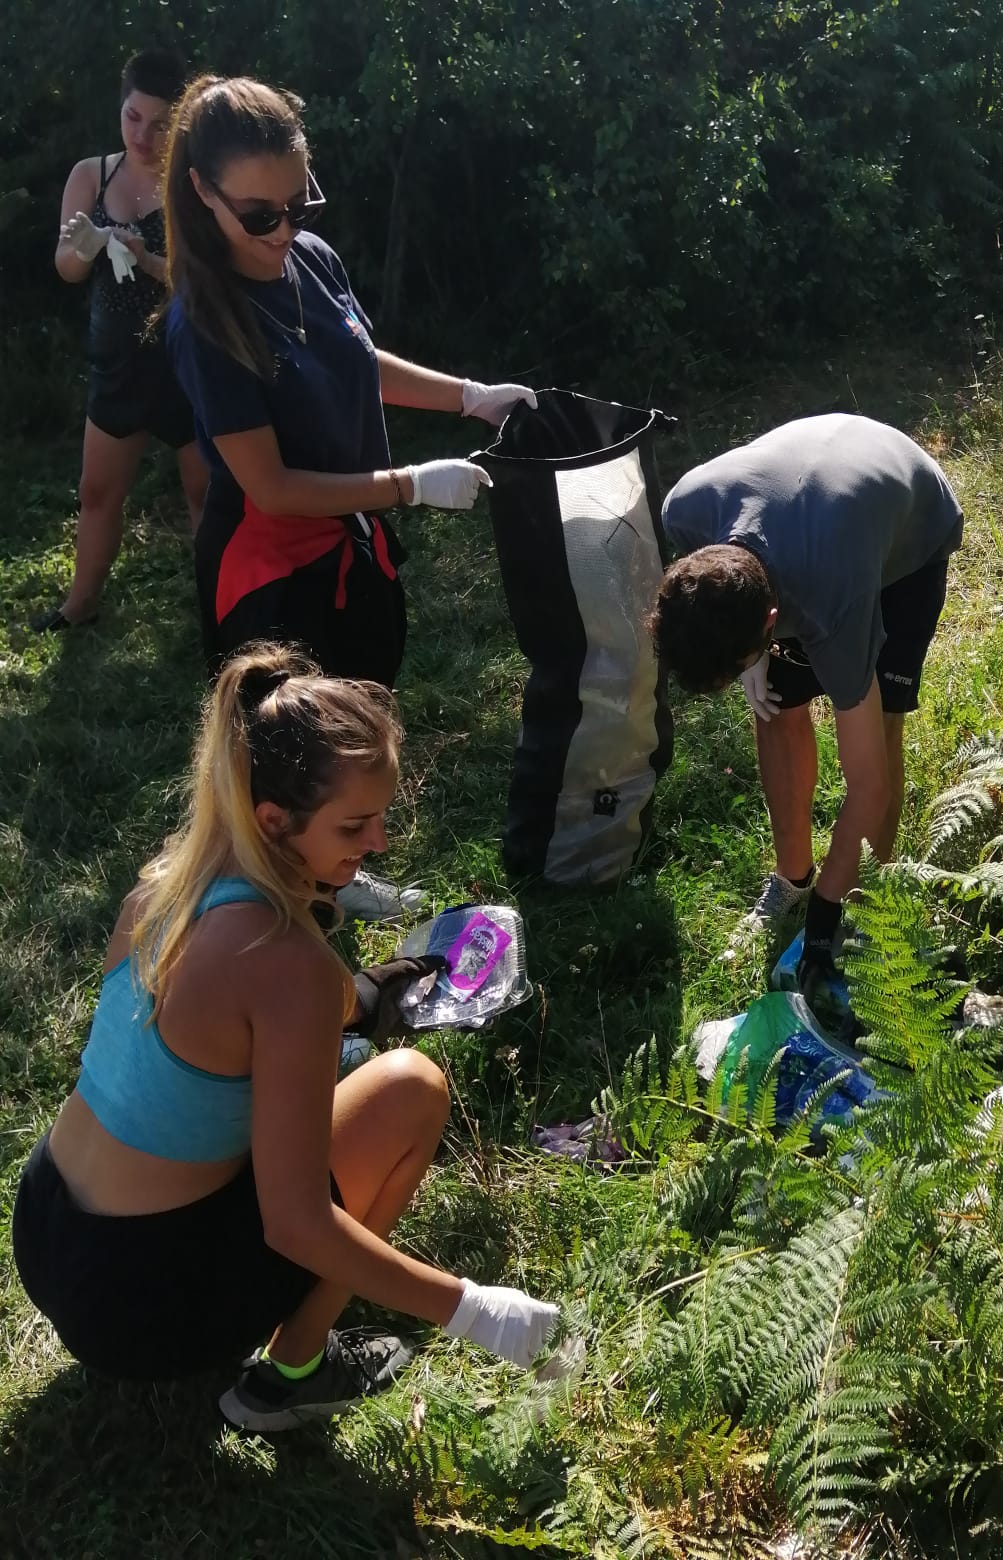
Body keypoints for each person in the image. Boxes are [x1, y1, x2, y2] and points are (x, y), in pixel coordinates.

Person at [9, 644, 560, 1433]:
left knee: (342, 1069)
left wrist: (361, 995)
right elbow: (293, 1222)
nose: (377, 843)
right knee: (409, 1089)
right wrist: (476, 1311)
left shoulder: (163, 887)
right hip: (138, 1308)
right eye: (354, 824)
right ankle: (294, 1374)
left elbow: (224, 1021)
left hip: (49, 1232)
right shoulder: (285, 966)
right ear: (275, 820)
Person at [161, 74, 533, 693]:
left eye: (298, 205)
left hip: (353, 543)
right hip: (274, 584)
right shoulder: (205, 323)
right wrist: (408, 486)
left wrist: (472, 397)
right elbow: (272, 488)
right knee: (300, 771)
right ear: (201, 188)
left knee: (366, 724)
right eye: (258, 216)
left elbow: (356, 360)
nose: (284, 230)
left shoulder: (311, 256)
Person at [651, 413, 964, 997]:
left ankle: (866, 898)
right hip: (808, 501)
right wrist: (757, 662)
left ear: (772, 622)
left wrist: (825, 920)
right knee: (774, 709)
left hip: (908, 525)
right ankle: (792, 878)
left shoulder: (833, 604)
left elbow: (865, 785)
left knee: (881, 727)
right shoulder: (685, 510)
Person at [38, 47, 208, 632]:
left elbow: (202, 279)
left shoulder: (193, 182)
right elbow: (65, 266)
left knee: (204, 491)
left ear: (179, 122)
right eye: (133, 117)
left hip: (186, 360)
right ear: (121, 109)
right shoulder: (92, 174)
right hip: (117, 362)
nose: (144, 133)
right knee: (96, 491)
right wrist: (83, 248)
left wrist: (145, 257)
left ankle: (221, 606)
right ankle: (80, 603)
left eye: (161, 123)